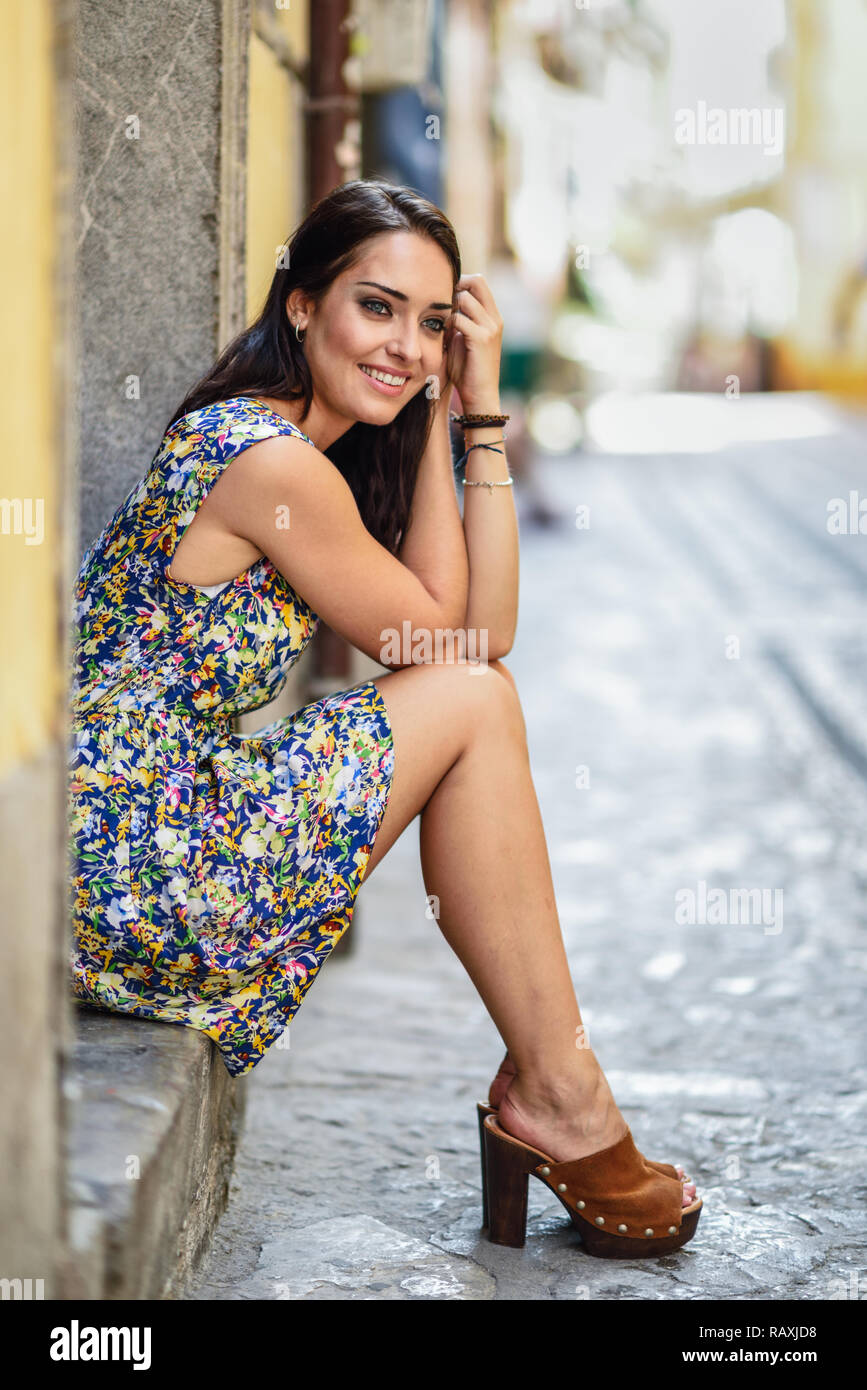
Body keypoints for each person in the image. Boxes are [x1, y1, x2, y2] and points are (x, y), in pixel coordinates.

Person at [68, 179, 701, 1257]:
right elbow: (471, 645)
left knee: (476, 697)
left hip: (130, 836)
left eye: (434, 322)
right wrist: (481, 412)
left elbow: (461, 625)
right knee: (476, 700)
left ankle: (557, 1087)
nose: (407, 343)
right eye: (378, 307)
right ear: (303, 303)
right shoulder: (268, 464)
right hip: (130, 860)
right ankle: (558, 1092)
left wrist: (446, 412)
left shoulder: (309, 447)